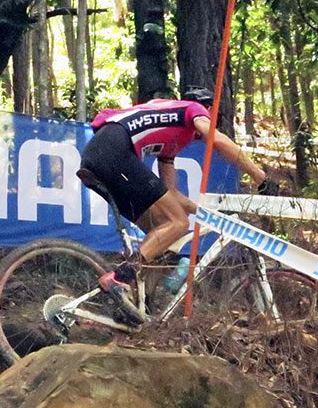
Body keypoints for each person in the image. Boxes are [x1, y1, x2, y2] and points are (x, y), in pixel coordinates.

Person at [80, 87, 274, 318]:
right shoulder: (193, 109)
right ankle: (121, 277)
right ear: (208, 109)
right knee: (178, 223)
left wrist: (200, 210)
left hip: (98, 155)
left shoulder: (171, 139)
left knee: (161, 233)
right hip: (112, 151)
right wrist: (260, 178)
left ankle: (137, 307)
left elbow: (169, 193)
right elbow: (218, 140)